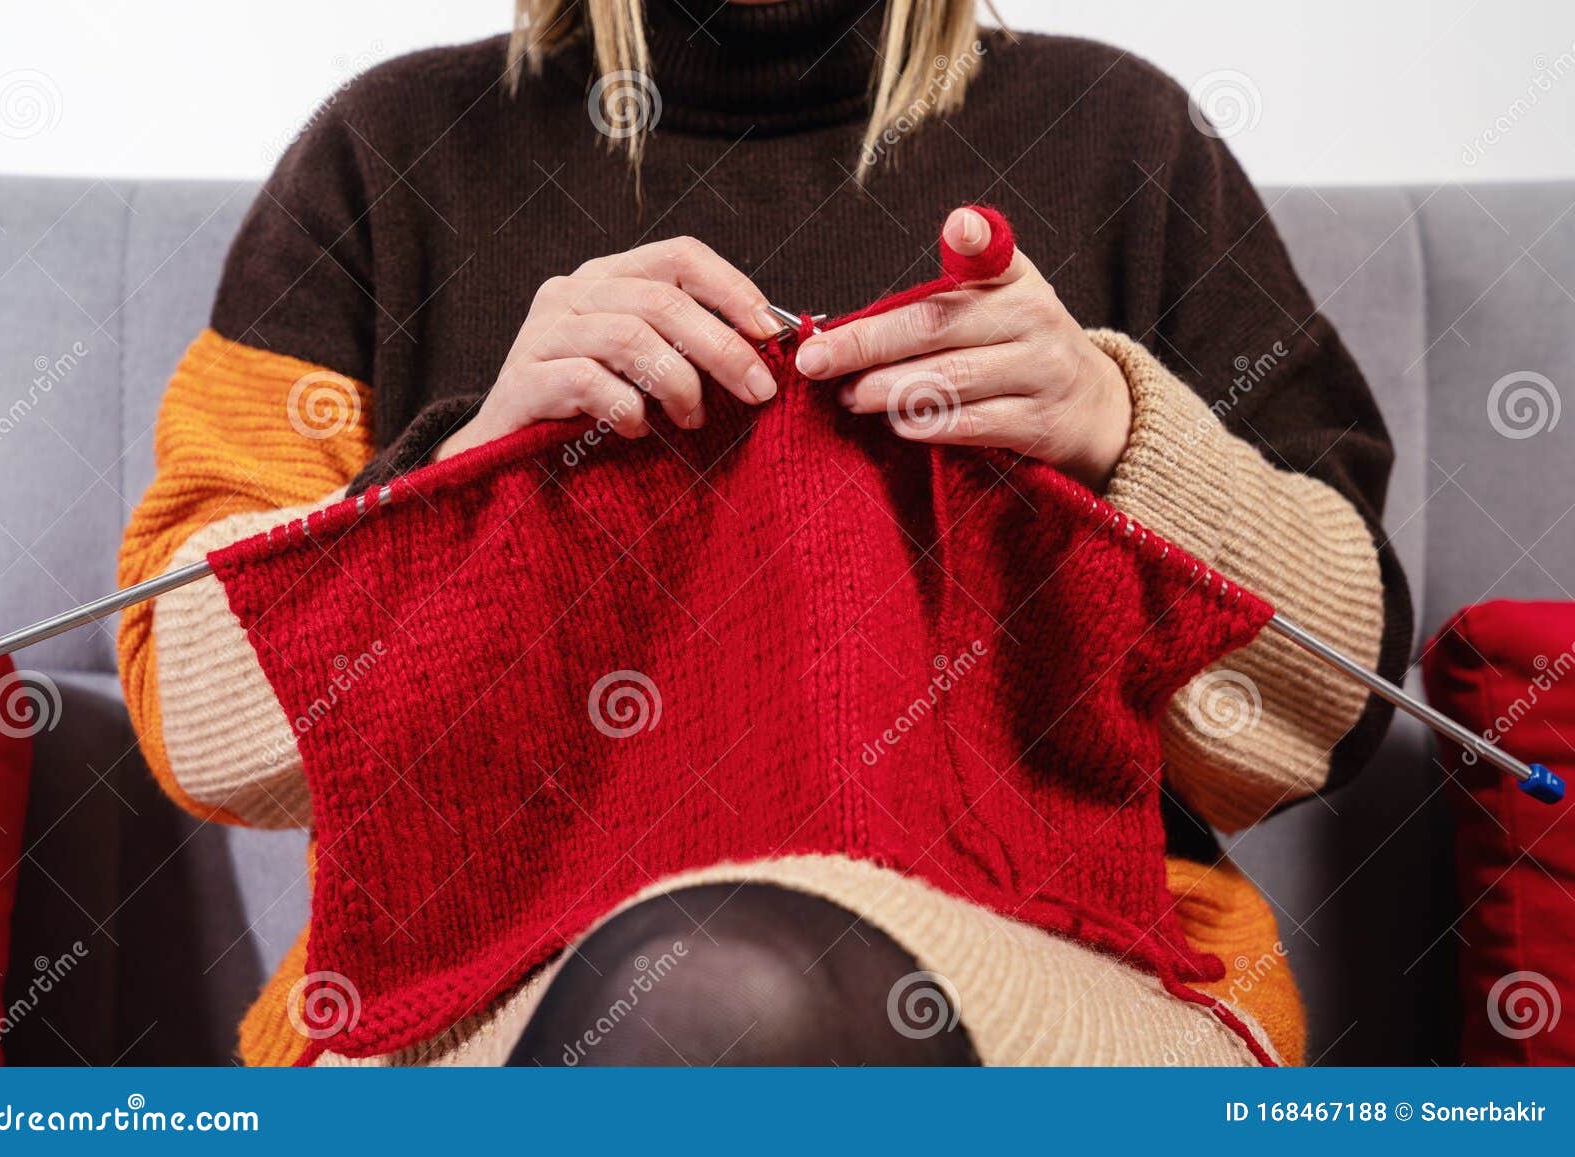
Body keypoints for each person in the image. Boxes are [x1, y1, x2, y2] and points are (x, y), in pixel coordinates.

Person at [117, 0, 1409, 1066]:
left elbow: (1330, 708)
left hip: (1067, 949)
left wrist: (1122, 432)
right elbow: (193, 709)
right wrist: (469, 467)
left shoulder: (1124, 139)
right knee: (711, 997)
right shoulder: (385, 154)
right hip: (477, 972)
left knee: (725, 998)